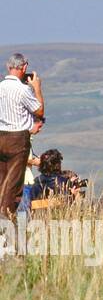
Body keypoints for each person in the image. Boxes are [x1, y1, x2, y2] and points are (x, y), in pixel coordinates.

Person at [0, 54, 44, 218]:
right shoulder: (23, 89)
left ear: (8, 66)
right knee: (14, 181)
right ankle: (5, 216)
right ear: (24, 67)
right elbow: (39, 110)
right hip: (17, 138)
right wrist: (37, 88)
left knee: (2, 178)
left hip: (1, 135)